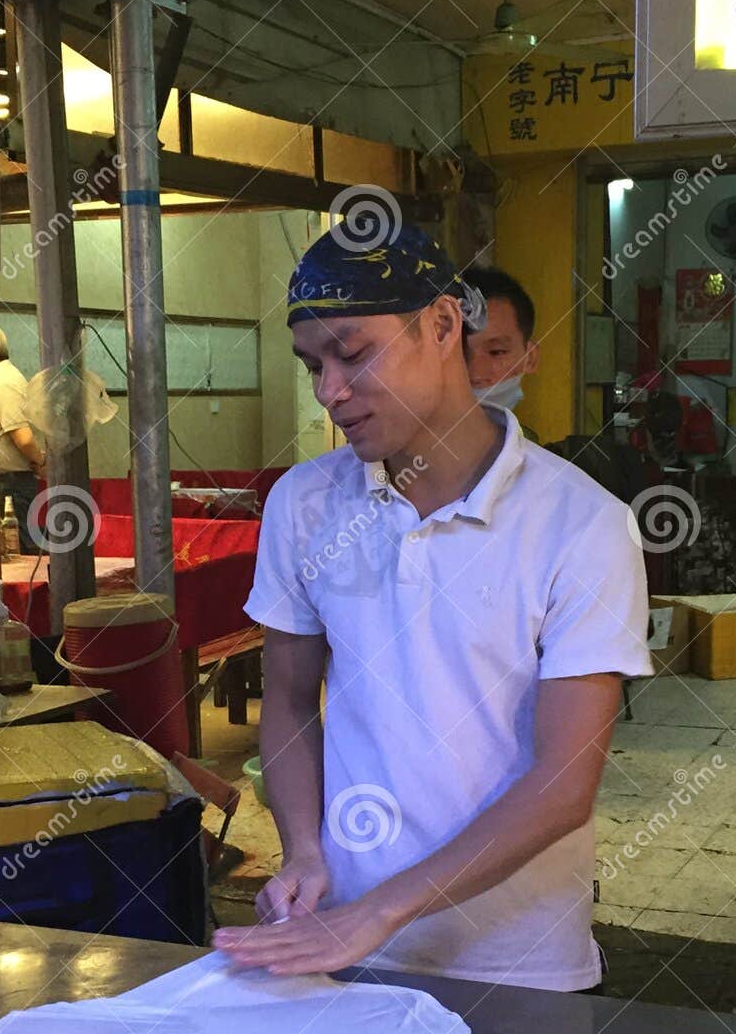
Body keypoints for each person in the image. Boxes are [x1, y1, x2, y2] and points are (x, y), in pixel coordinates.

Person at [215, 224, 650, 990]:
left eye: (352, 354)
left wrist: (382, 911)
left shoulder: (582, 524)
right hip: (340, 948)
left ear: (445, 325)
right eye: (312, 364)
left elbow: (564, 782)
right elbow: (287, 702)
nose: (328, 390)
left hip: (520, 961)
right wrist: (308, 854)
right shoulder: (304, 505)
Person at [463, 264, 540, 436]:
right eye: (458, 351)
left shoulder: (542, 462)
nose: (474, 374)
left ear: (530, 358)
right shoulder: (396, 453)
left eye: (496, 352)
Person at [0, 323, 43, 552]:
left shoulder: (4, 382)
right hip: (8, 479)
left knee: (21, 550)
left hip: (12, 482)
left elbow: (23, 438)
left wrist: (42, 463)